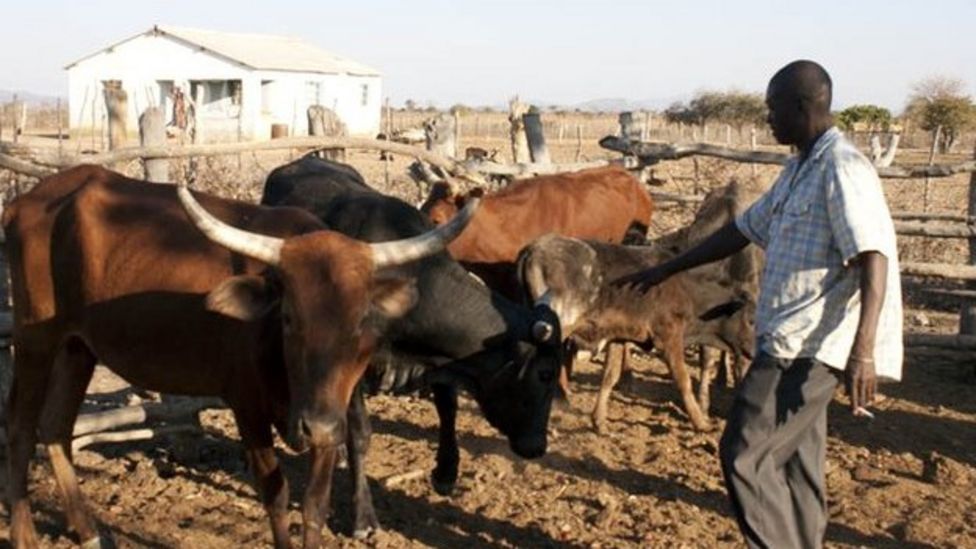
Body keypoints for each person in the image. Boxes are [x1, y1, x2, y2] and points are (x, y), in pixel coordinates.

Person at [616, 60, 903, 548]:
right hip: (788, 334)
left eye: (772, 109)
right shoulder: (798, 170)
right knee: (797, 463)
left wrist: (865, 350)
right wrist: (668, 265)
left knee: (743, 452)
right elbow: (742, 230)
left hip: (809, 345)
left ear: (801, 105)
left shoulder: (843, 168)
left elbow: (874, 257)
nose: (766, 118)